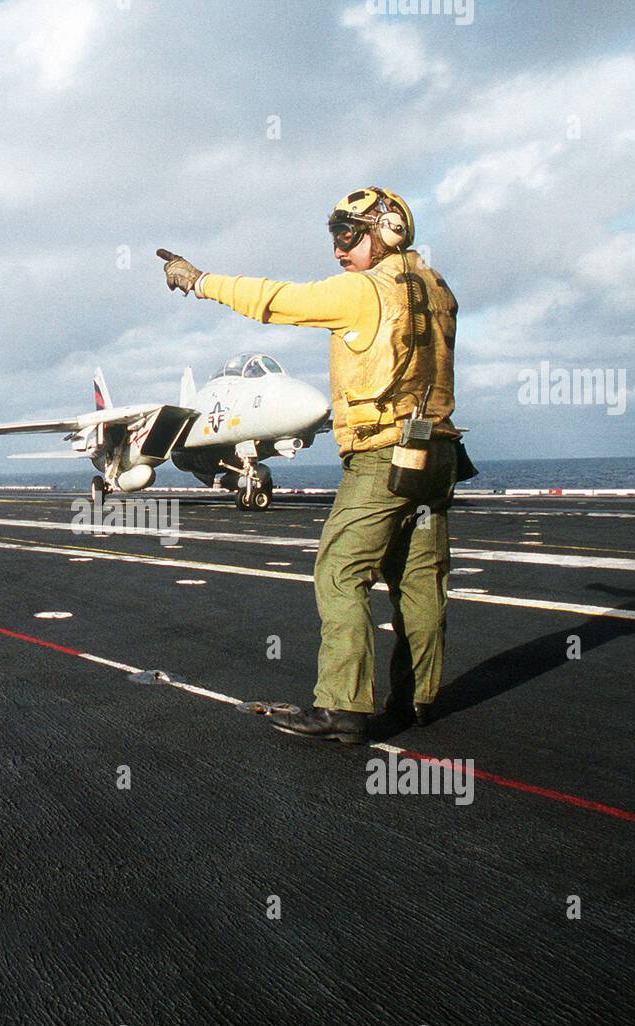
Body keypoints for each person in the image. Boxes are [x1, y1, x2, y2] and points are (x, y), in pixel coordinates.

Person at [158, 187, 461, 744]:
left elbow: (275, 299)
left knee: (340, 572)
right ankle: (419, 699)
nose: (339, 250)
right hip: (438, 456)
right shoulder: (440, 291)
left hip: (384, 456)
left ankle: (342, 708)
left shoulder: (364, 291)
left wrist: (199, 281)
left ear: (386, 231)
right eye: (335, 236)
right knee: (419, 581)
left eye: (348, 235)